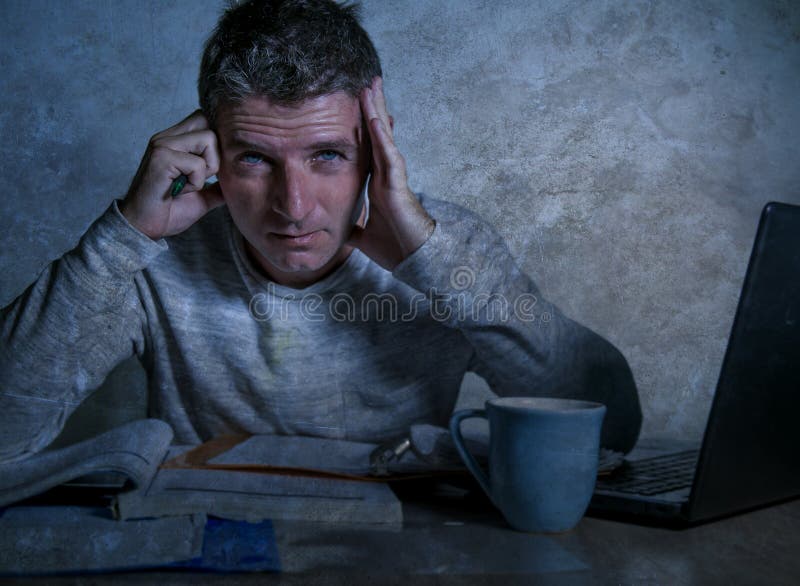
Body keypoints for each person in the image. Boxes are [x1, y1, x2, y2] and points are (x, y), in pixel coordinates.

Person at [0, 0, 641, 463]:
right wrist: (123, 236)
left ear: (374, 148)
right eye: (255, 158)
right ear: (210, 151)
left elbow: (613, 425)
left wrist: (436, 264)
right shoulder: (152, 258)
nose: (294, 206)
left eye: (328, 155)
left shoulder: (448, 252)